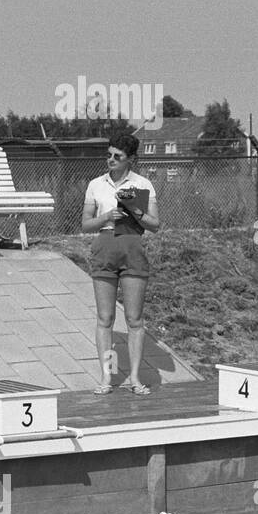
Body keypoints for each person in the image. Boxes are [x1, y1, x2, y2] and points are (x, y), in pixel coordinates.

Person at [82, 133, 160, 395]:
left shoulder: (143, 183)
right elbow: (85, 224)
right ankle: (106, 377)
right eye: (109, 155)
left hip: (132, 246)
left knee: (134, 319)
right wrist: (107, 215)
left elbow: (155, 225)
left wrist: (135, 211)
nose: (111, 160)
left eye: (118, 156)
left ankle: (135, 378)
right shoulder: (96, 184)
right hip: (105, 245)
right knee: (105, 318)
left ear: (131, 159)